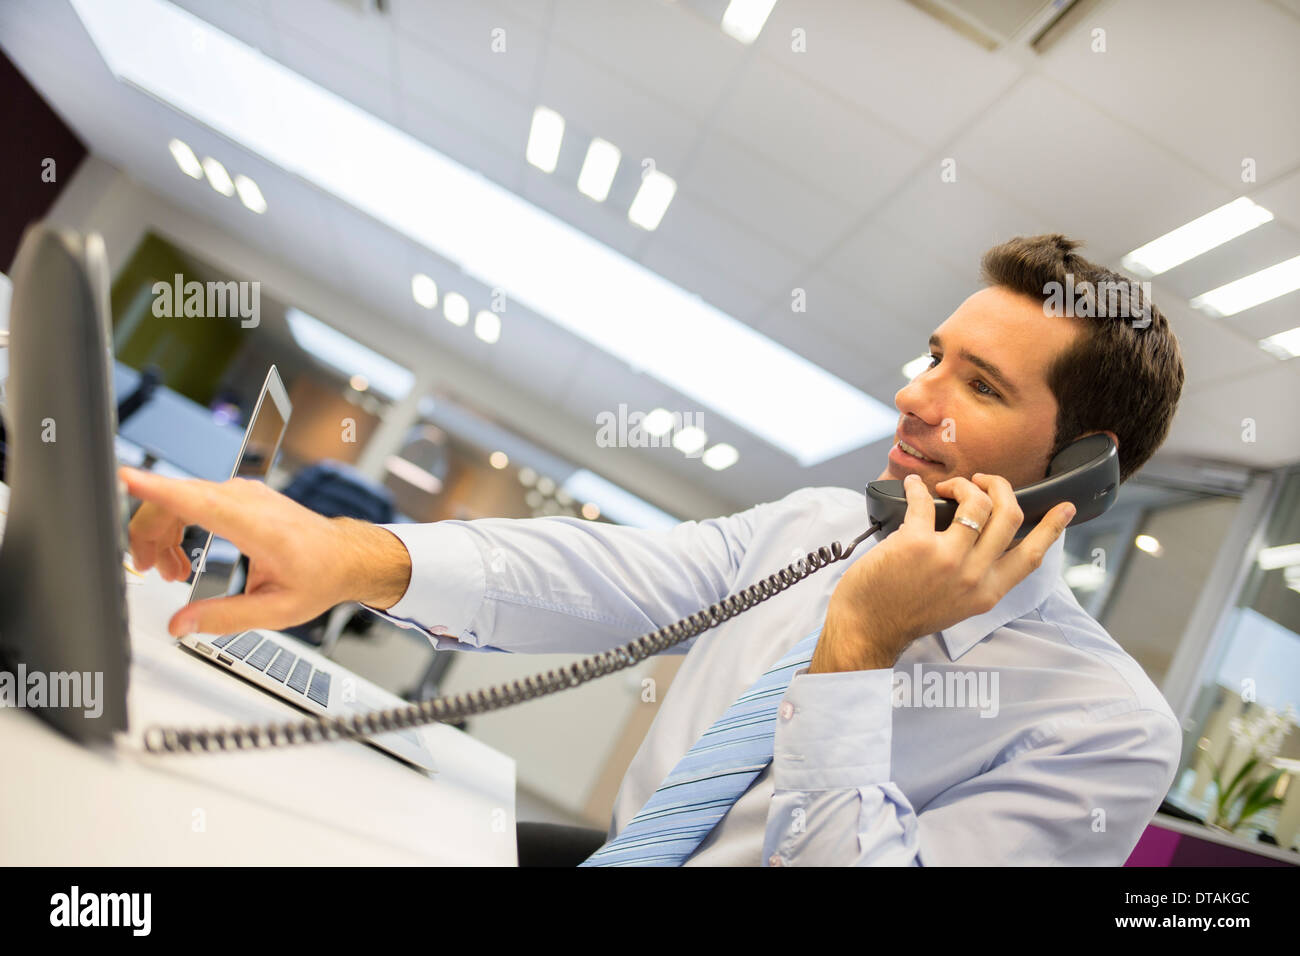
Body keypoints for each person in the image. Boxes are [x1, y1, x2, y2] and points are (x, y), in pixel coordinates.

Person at [120, 234, 1186, 866]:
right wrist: (350, 554)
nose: (913, 394)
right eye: (933, 356)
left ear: (1079, 468)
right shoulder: (821, 524)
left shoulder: (1105, 730)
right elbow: (606, 576)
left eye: (980, 384)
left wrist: (859, 646)